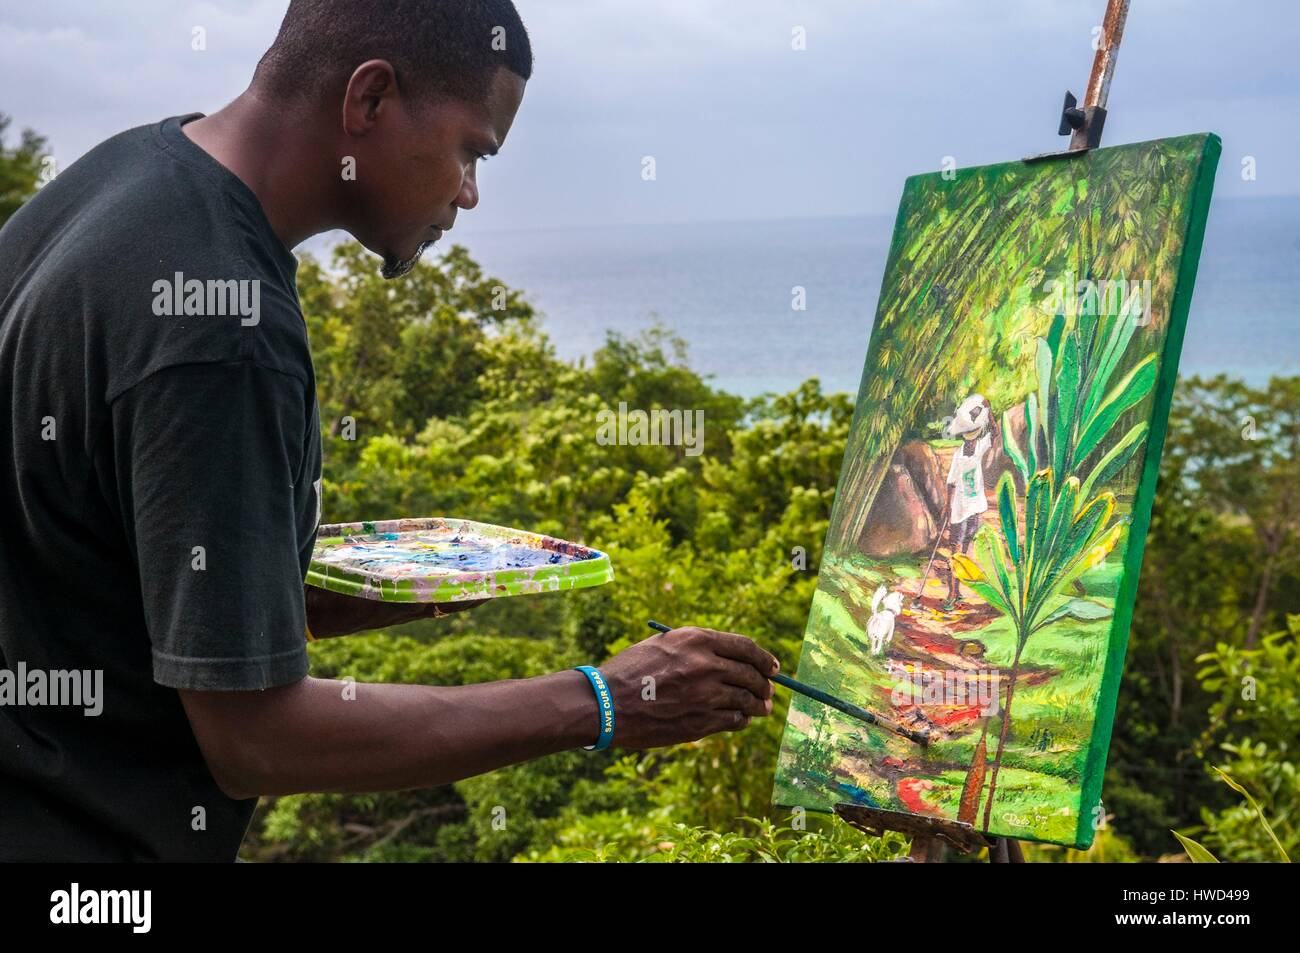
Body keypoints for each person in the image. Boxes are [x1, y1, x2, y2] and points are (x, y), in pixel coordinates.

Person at [0, 0, 777, 862]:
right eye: (473, 149)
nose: (471, 193)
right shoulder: (225, 331)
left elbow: (133, 588)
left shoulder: (119, 182)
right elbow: (255, 737)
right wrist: (603, 699)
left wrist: (416, 583)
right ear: (369, 100)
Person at [939, 394, 999, 611]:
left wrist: (988, 409)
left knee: (964, 551)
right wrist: (948, 508)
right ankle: (952, 594)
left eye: (974, 437)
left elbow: (995, 432)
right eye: (970, 438)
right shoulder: (958, 455)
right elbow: (951, 484)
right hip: (959, 510)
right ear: (966, 438)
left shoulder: (981, 447)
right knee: (955, 552)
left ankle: (958, 592)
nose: (972, 440)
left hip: (974, 507)